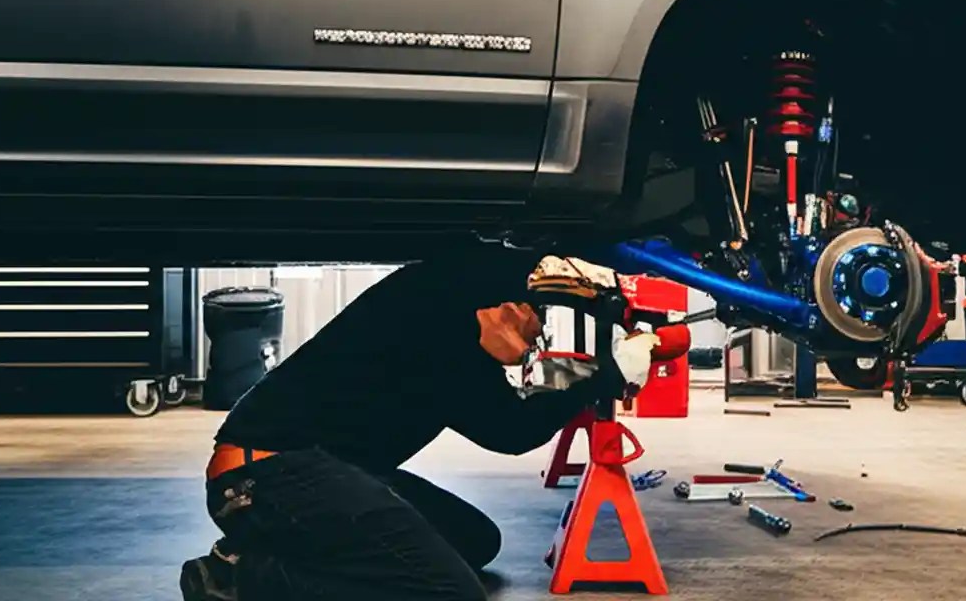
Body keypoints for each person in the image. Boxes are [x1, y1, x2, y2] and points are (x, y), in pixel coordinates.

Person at [179, 238, 659, 601]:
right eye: (537, 324)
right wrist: (607, 370)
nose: (535, 341)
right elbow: (512, 428)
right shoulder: (439, 319)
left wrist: (604, 366)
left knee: (475, 542)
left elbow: (521, 392)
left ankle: (297, 547)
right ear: (508, 305)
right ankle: (238, 576)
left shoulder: (447, 314)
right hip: (262, 478)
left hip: (325, 470)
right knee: (449, 591)